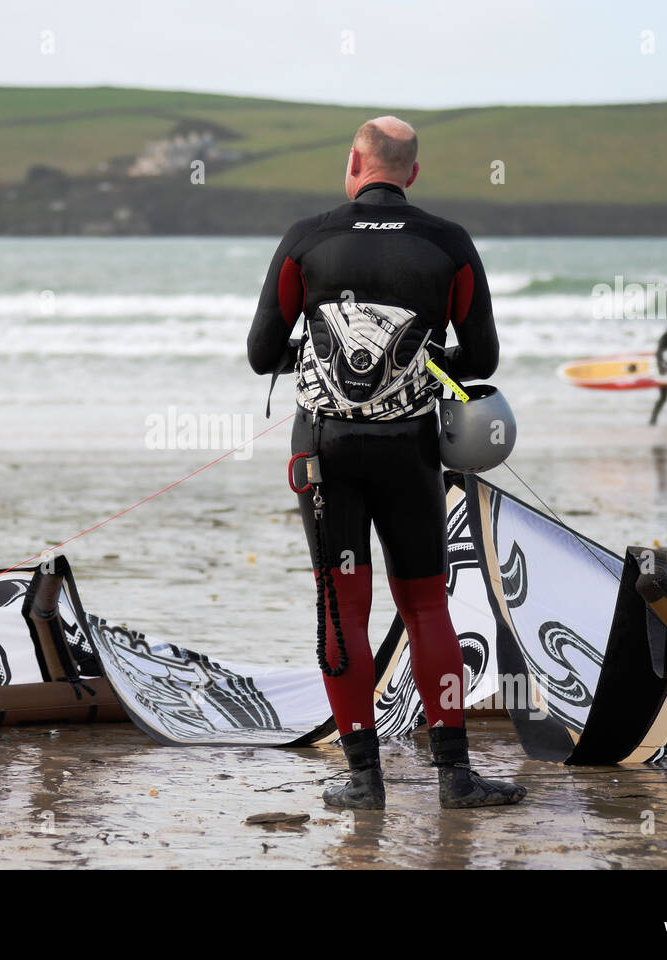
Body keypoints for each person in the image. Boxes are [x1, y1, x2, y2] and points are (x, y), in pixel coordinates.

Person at [247, 116, 526, 811]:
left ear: (354, 163)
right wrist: (419, 360)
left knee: (342, 606)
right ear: (413, 173)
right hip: (410, 450)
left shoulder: (307, 238)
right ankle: (456, 778)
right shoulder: (448, 243)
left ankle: (363, 780)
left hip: (325, 453)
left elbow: (261, 353)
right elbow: (482, 358)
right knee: (427, 606)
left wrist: (322, 354)